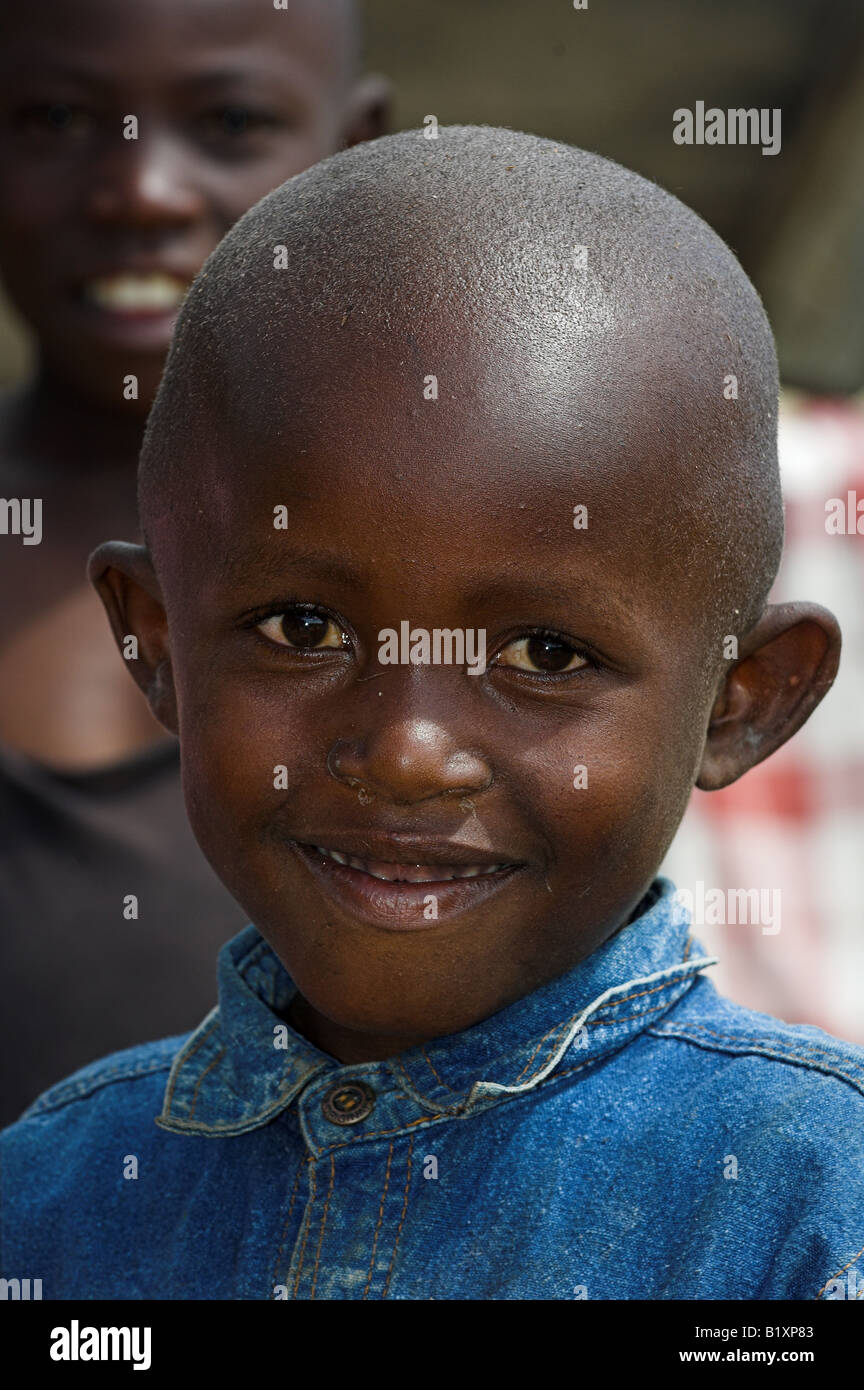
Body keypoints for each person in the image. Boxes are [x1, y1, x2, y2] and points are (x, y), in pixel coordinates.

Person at [2, 128, 861, 1300]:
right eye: (304, 629)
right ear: (156, 642)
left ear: (739, 703)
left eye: (544, 652)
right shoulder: (51, 1204)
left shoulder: (810, 1216)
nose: (407, 752)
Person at [0, 0, 388, 1124]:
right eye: (57, 117)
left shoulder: (468, 546)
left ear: (351, 152)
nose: (140, 192)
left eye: (227, 120)